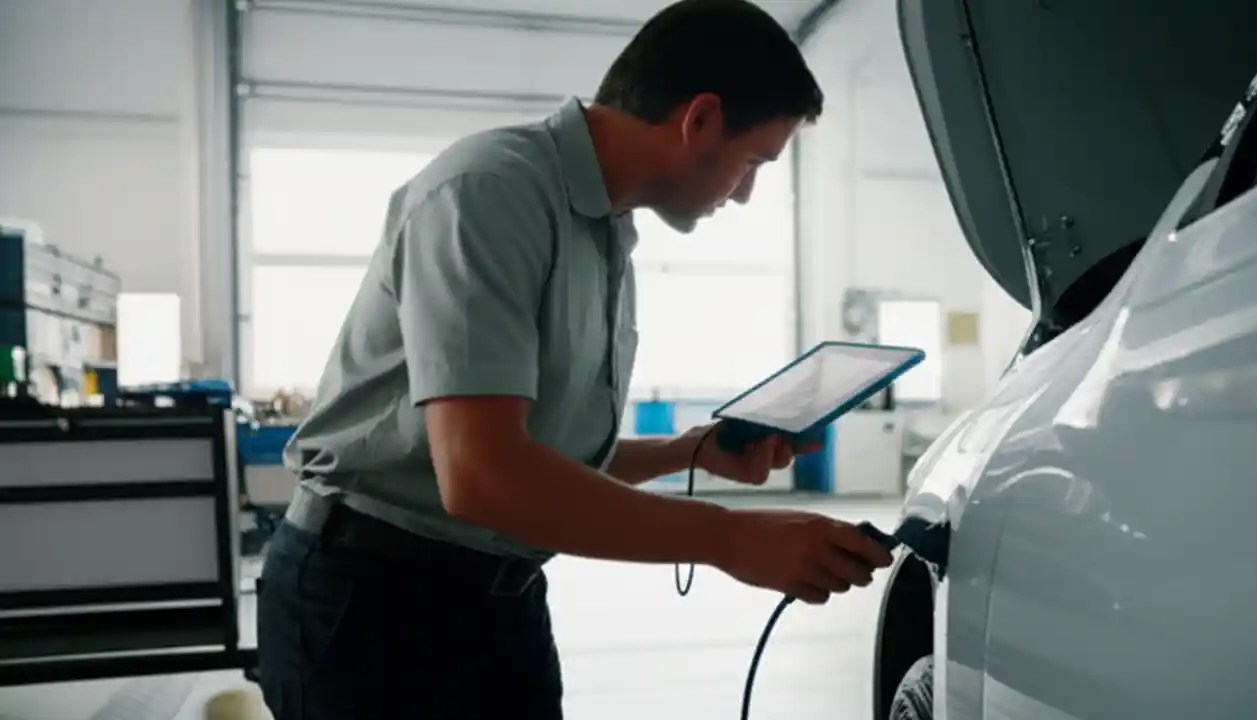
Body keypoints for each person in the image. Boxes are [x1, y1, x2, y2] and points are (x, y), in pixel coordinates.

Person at [255, 1, 894, 718]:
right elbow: (482, 476)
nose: (744, 194)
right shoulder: (492, 192)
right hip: (373, 606)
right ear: (701, 120)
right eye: (752, 163)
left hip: (498, 599)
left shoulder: (603, 231)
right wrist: (730, 537)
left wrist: (689, 453)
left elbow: (532, 455)